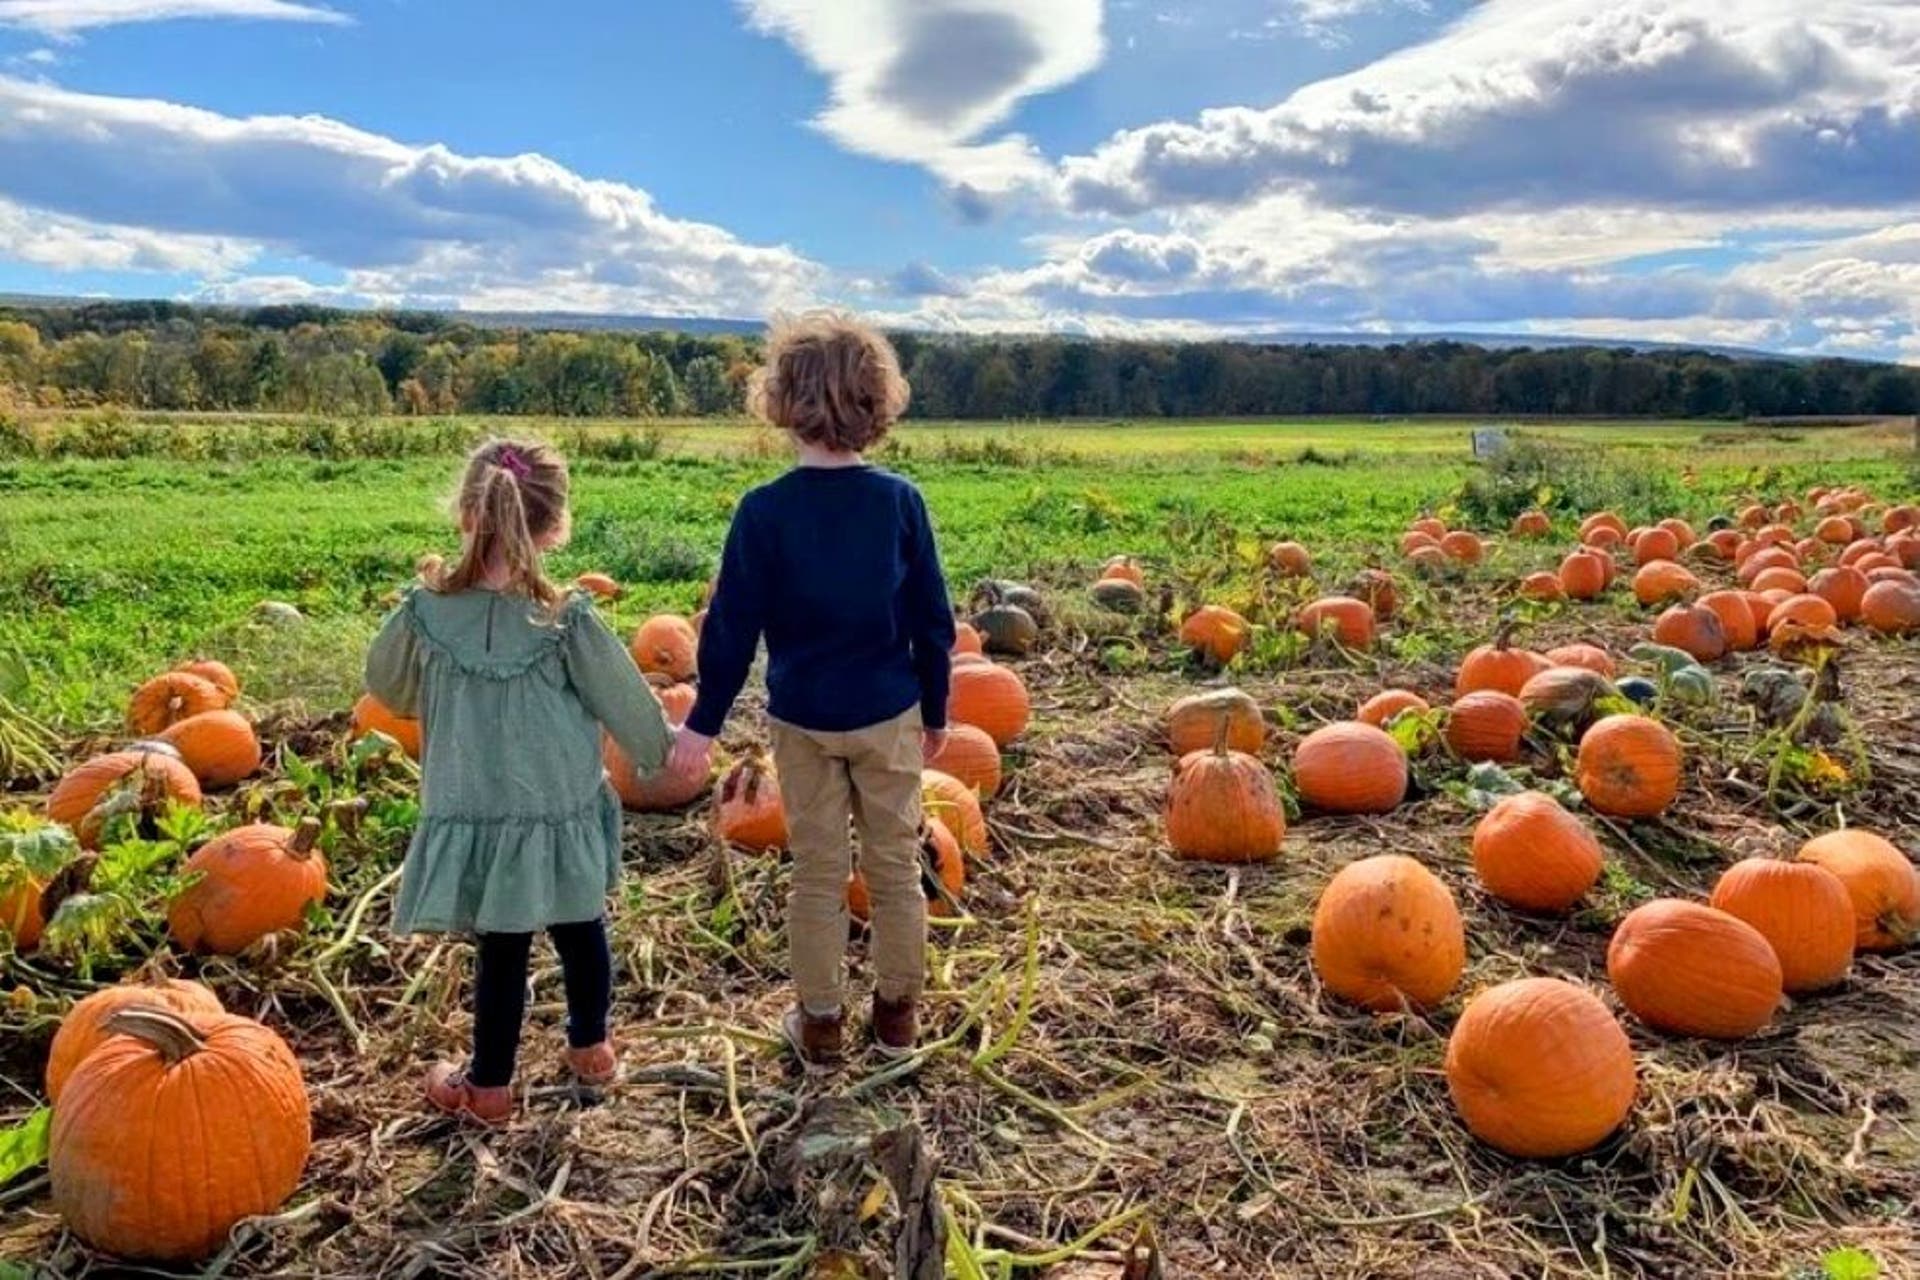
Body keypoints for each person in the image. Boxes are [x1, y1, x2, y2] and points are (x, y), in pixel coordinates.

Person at [671, 312, 955, 1069]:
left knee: (819, 874)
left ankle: (822, 1023)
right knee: (895, 868)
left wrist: (702, 724)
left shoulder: (764, 512)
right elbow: (933, 618)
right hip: (888, 715)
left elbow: (730, 629)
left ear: (782, 402)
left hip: (802, 720)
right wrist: (937, 708)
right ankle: (896, 1022)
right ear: (876, 403)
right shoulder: (899, 502)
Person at [365, 438, 678, 1124]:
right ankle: (592, 1050)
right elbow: (626, 703)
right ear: (555, 526)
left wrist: (436, 694)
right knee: (581, 926)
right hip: (558, 805)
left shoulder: (424, 611)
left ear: (464, 513)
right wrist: (660, 751)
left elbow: (385, 685)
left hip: (474, 806)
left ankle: (489, 1087)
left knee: (501, 950)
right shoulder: (565, 619)